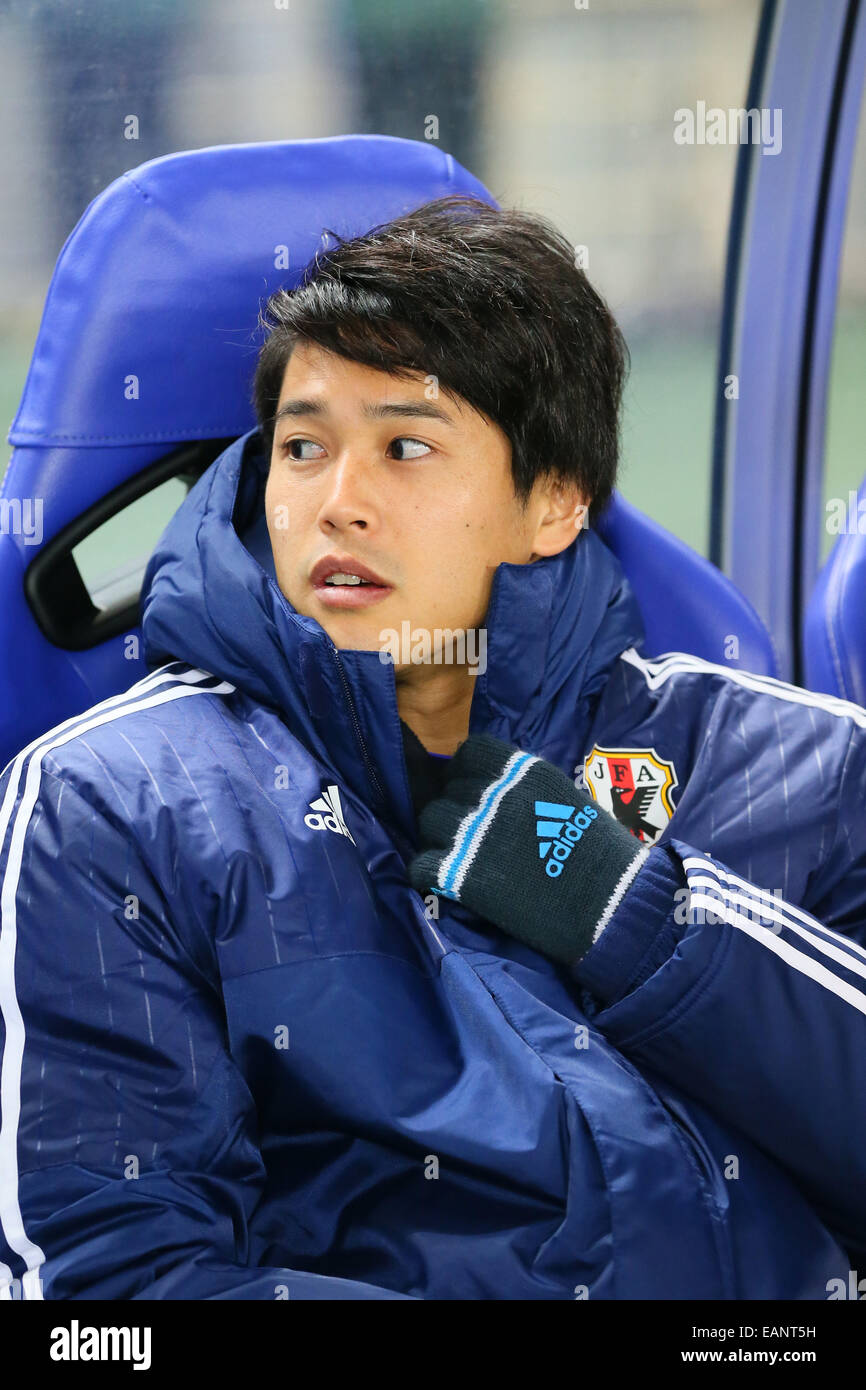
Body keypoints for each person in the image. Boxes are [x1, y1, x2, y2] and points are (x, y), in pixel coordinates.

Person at [1, 195, 864, 1301]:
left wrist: (645, 932)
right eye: (302, 447)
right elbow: (120, 1288)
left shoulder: (796, 765)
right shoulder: (115, 811)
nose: (336, 503)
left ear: (554, 500)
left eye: (404, 445)